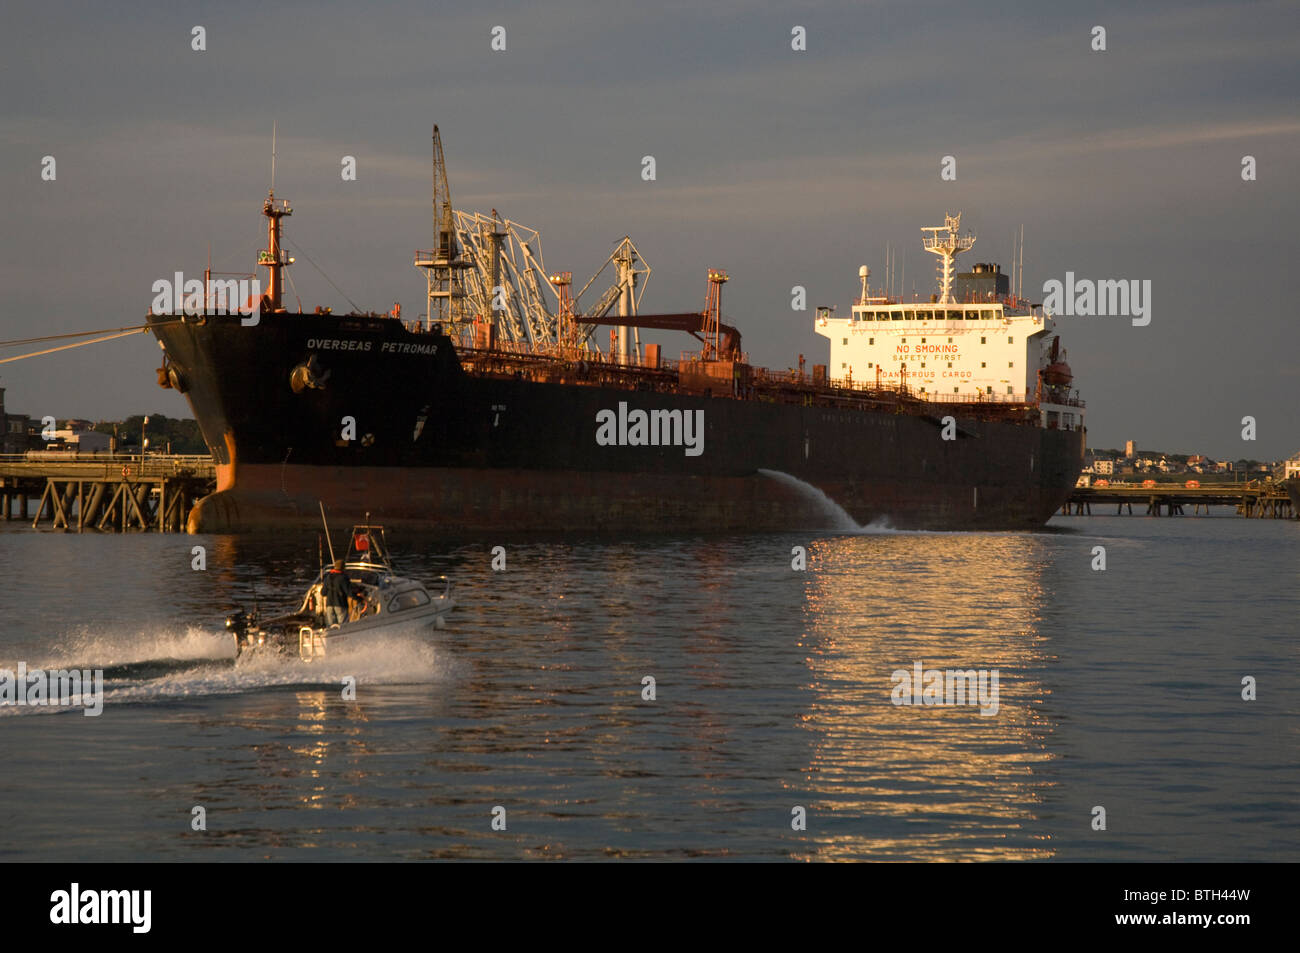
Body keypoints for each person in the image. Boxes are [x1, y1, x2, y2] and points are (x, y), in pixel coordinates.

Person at [322, 559, 349, 626]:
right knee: (342, 626)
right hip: (341, 604)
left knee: (330, 627)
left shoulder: (328, 577)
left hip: (329, 605)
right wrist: (359, 599)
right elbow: (348, 592)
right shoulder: (343, 578)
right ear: (343, 568)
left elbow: (323, 593)